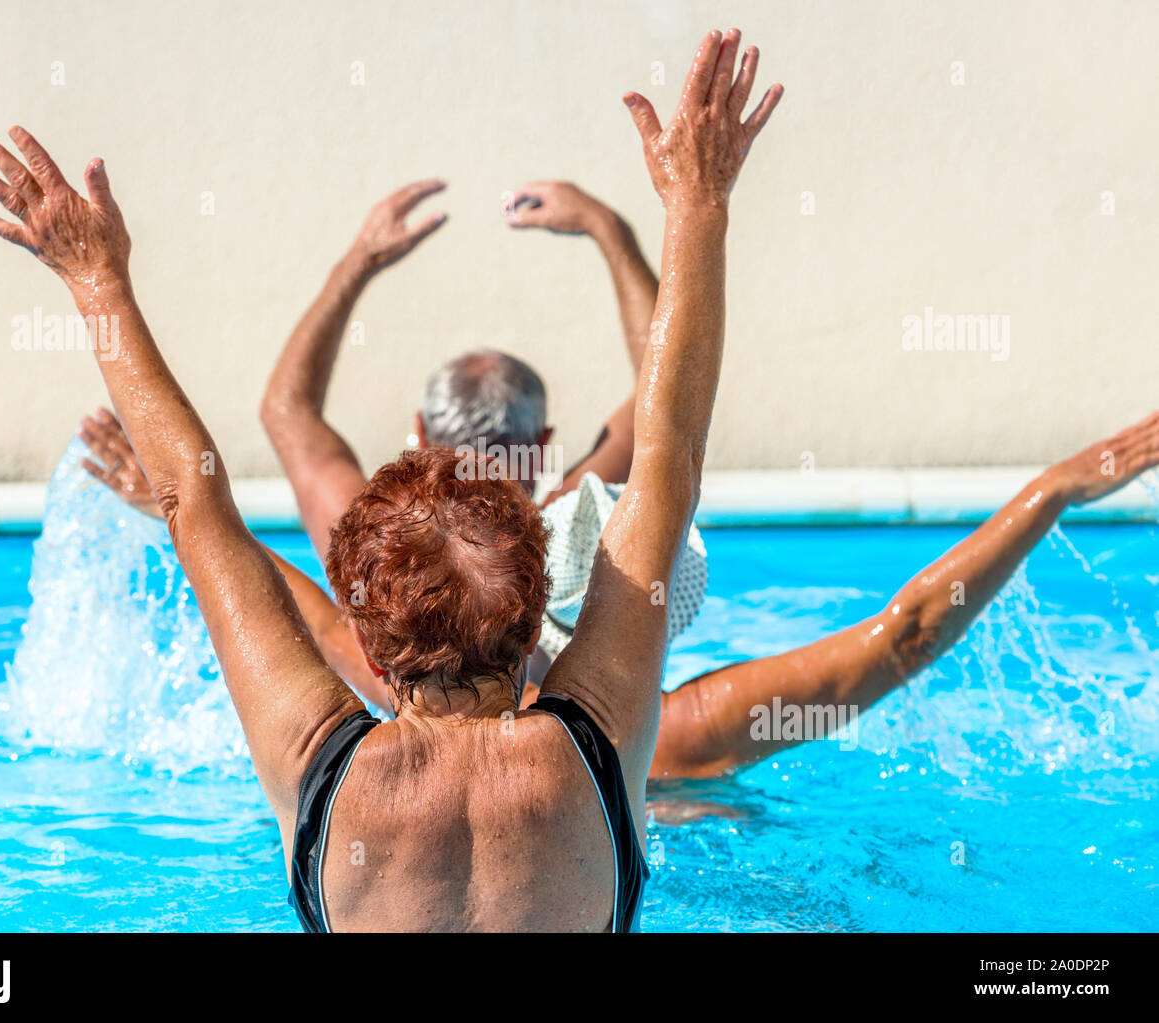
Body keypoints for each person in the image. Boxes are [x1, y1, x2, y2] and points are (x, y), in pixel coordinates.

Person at [0, 28, 782, 931]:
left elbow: (190, 499)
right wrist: (698, 204)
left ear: (364, 636)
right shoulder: (599, 744)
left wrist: (97, 281)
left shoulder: (322, 776)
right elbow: (670, 453)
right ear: (534, 613)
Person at [80, 144, 1159, 785]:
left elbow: (238, 539)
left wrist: (166, 486)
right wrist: (1055, 486)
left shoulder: (345, 705)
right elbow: (677, 435)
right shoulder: (644, 741)